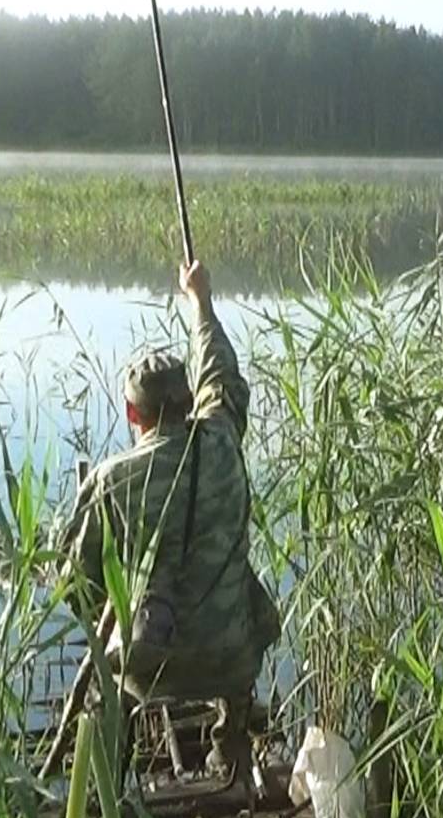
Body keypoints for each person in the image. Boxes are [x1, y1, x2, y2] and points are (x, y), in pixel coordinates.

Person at [59, 259, 279, 780]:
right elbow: (222, 380)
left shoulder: (113, 480)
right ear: (188, 403)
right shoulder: (224, 444)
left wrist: (114, 608)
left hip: (147, 668)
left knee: (106, 675)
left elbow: (76, 586)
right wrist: (199, 301)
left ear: (133, 417)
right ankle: (230, 752)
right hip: (232, 656)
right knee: (241, 615)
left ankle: (112, 783)